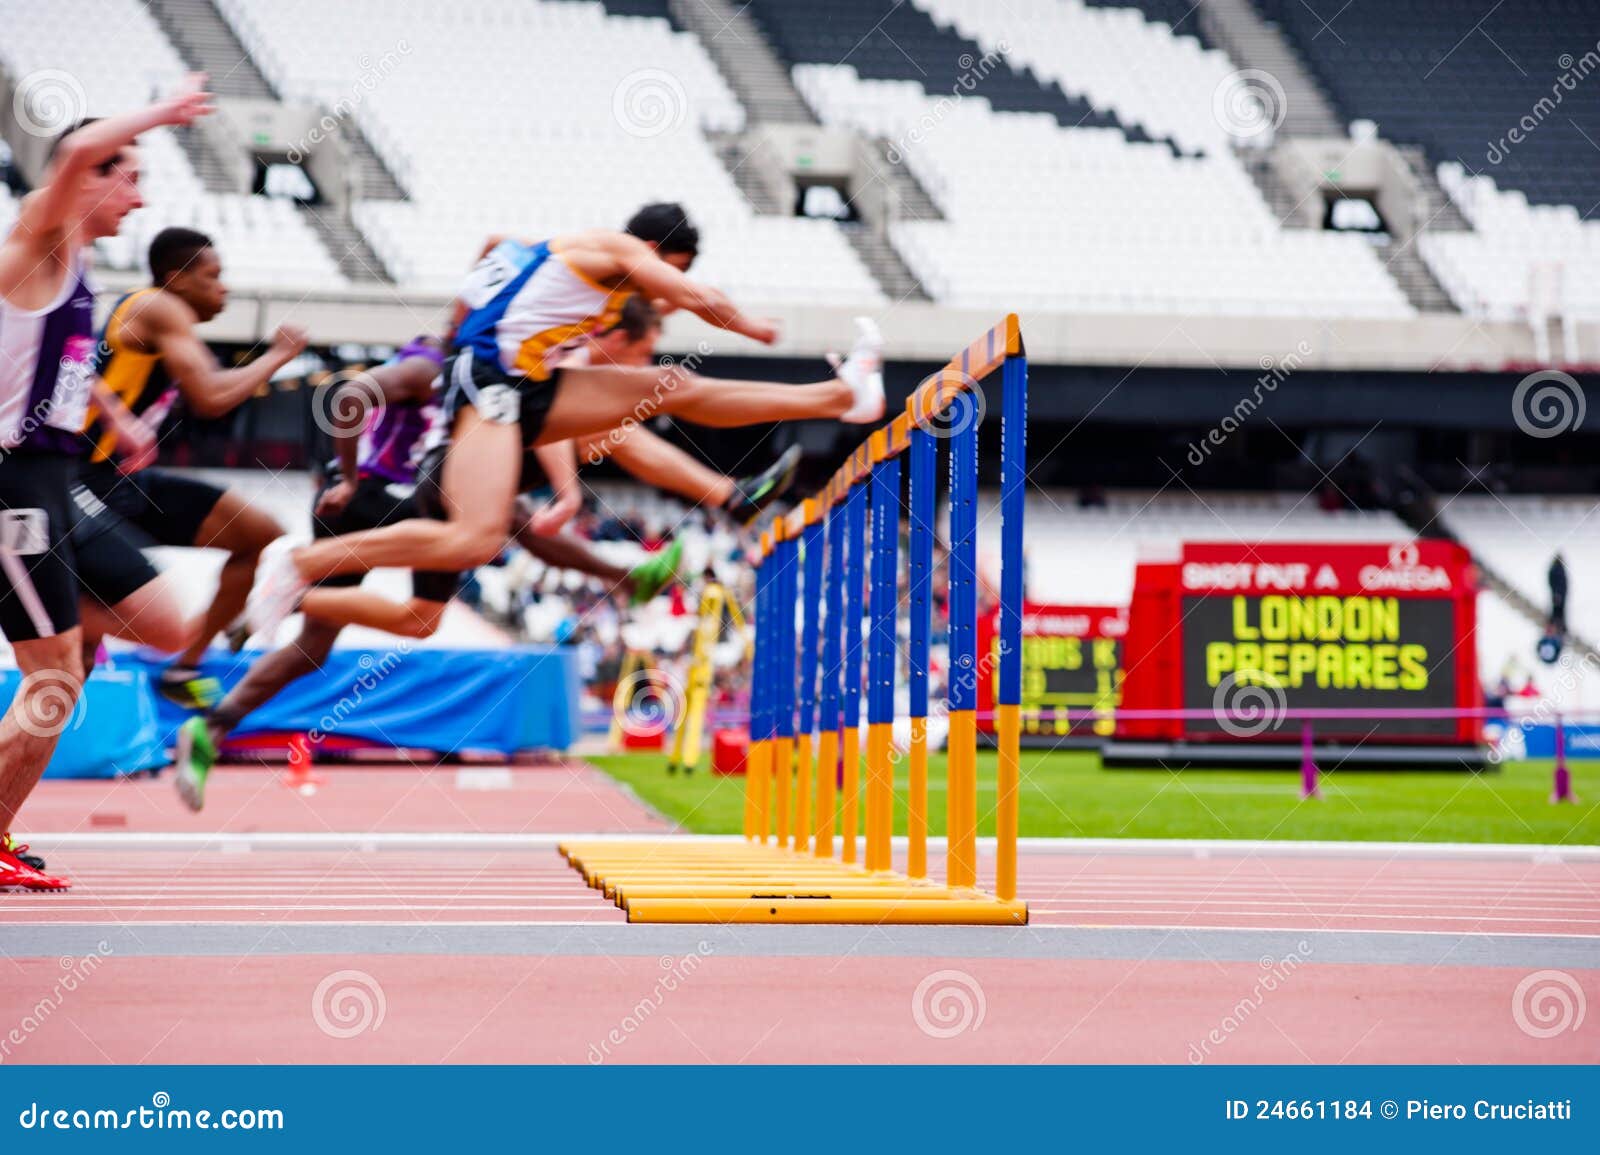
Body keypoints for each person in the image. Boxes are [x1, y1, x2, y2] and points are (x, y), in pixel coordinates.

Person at [247, 202, 883, 635]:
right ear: (659, 252)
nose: (664, 290)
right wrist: (753, 326)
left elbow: (493, 255)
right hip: (491, 388)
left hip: (523, 384)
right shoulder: (612, 251)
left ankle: (840, 396)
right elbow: (695, 296)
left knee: (668, 385)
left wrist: (475, 312)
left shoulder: (565, 268)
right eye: (669, 271)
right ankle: (300, 567)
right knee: (475, 539)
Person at [0, 78, 214, 890]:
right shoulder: (40, 239)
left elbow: (54, 360)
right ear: (85, 178)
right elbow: (79, 147)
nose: (139, 195)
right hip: (12, 483)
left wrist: (116, 419)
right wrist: (163, 112)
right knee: (51, 675)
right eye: (128, 175)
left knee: (153, 628)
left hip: (56, 478)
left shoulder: (75, 266)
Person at [72, 226, 306, 707]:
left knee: (256, 533)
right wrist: (278, 356)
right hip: (77, 481)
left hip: (119, 479)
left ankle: (183, 668)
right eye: (212, 276)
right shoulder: (158, 307)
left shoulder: (164, 316)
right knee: (77, 652)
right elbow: (211, 397)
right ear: (176, 278)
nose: (224, 287)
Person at [1548, 552, 1568, 635]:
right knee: (1556, 612)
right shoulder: (1555, 569)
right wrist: (1556, 593)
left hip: (1561, 594)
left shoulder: (1559, 568)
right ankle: (1555, 630)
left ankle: (1560, 629)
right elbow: (1554, 582)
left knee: (1559, 612)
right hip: (1558, 595)